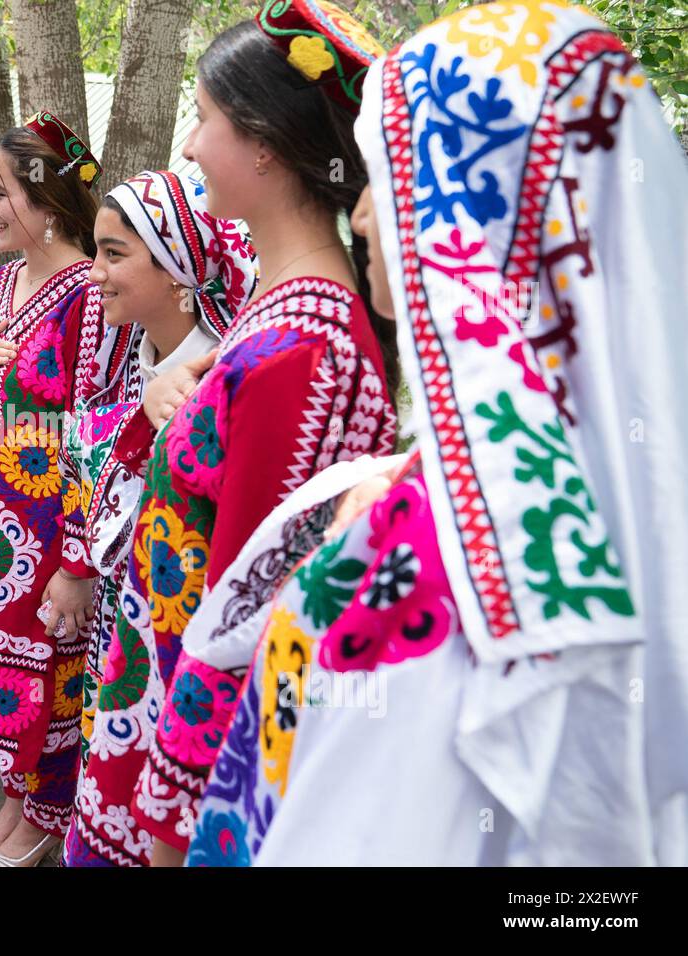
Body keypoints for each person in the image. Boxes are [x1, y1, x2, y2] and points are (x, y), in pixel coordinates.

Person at [186, 0, 688, 866]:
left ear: (470, 216)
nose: (367, 214)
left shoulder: (442, 548)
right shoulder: (594, 491)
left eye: (388, 177)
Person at [71, 0, 400, 867]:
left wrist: (178, 829)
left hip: (183, 787)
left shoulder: (298, 348)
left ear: (262, 143)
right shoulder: (281, 315)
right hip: (155, 735)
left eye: (204, 119)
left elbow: (242, 625)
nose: (187, 145)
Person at [60, 170, 256, 864]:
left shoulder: (209, 373)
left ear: (177, 272)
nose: (95, 272)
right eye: (96, 251)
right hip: (119, 634)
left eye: (115, 255)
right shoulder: (135, 354)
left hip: (168, 648)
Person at [0, 111, 117, 866]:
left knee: (47, 677)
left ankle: (44, 815)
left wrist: (76, 563)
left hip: (48, 535)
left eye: (0, 191)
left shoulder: (89, 297)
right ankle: (14, 806)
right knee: (0, 670)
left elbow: (93, 440)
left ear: (47, 202)